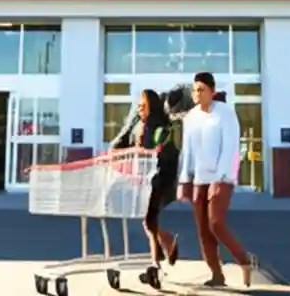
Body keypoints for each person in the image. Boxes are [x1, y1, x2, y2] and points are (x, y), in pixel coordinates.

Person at [177, 72, 257, 288]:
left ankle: (244, 260)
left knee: (216, 223)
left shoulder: (225, 114)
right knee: (203, 230)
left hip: (222, 177)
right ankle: (216, 275)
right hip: (198, 180)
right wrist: (185, 179)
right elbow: (188, 150)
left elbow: (230, 147)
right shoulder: (191, 117)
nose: (197, 94)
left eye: (201, 90)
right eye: (194, 90)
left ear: (212, 91)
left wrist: (220, 178)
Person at [110, 88, 181, 268]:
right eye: (139, 106)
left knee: (149, 219)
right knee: (149, 220)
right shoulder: (139, 125)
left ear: (152, 107)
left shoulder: (158, 127)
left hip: (159, 178)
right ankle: (160, 252)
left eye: (143, 106)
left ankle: (159, 255)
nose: (140, 109)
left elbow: (154, 149)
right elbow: (124, 144)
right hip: (145, 179)